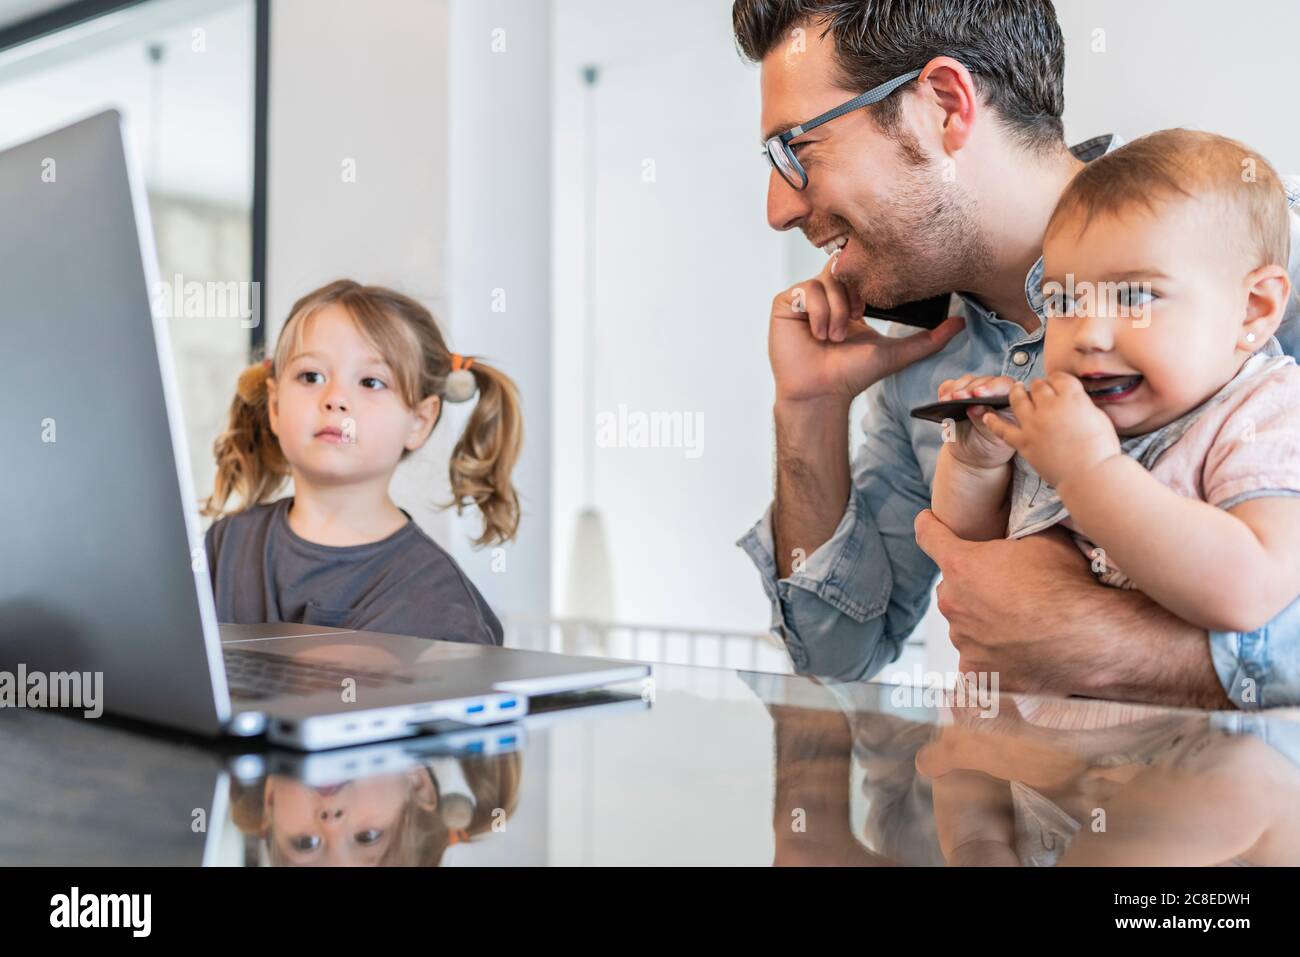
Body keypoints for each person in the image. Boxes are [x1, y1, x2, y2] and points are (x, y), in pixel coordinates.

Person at [730, 0, 1300, 707]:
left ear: (945, 104)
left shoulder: (1260, 268)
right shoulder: (924, 361)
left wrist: (1108, 641)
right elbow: (834, 653)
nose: (776, 208)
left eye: (798, 148)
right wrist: (809, 409)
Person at [933, 129, 1300, 635]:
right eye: (1062, 301)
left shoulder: (1266, 415)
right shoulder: (1071, 412)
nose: (1088, 335)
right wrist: (975, 465)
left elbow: (1248, 591)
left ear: (1252, 309)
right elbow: (979, 558)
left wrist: (1088, 471)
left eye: (1135, 297)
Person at [203, 279, 522, 644]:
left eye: (371, 382)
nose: (335, 399)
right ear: (275, 407)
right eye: (311, 376)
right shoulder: (225, 545)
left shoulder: (439, 606)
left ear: (419, 421)